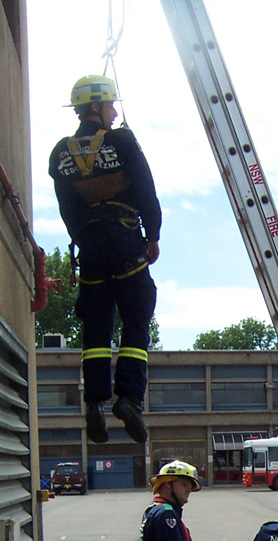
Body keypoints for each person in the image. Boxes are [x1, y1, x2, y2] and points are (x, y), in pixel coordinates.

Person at [49, 75, 162, 445]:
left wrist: (80, 239)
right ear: (96, 107)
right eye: (111, 105)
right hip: (126, 240)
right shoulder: (122, 141)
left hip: (91, 246)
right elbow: (145, 187)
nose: (115, 113)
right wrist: (153, 235)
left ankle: (94, 404)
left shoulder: (60, 153)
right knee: (137, 318)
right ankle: (129, 399)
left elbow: (67, 207)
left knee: (96, 329)